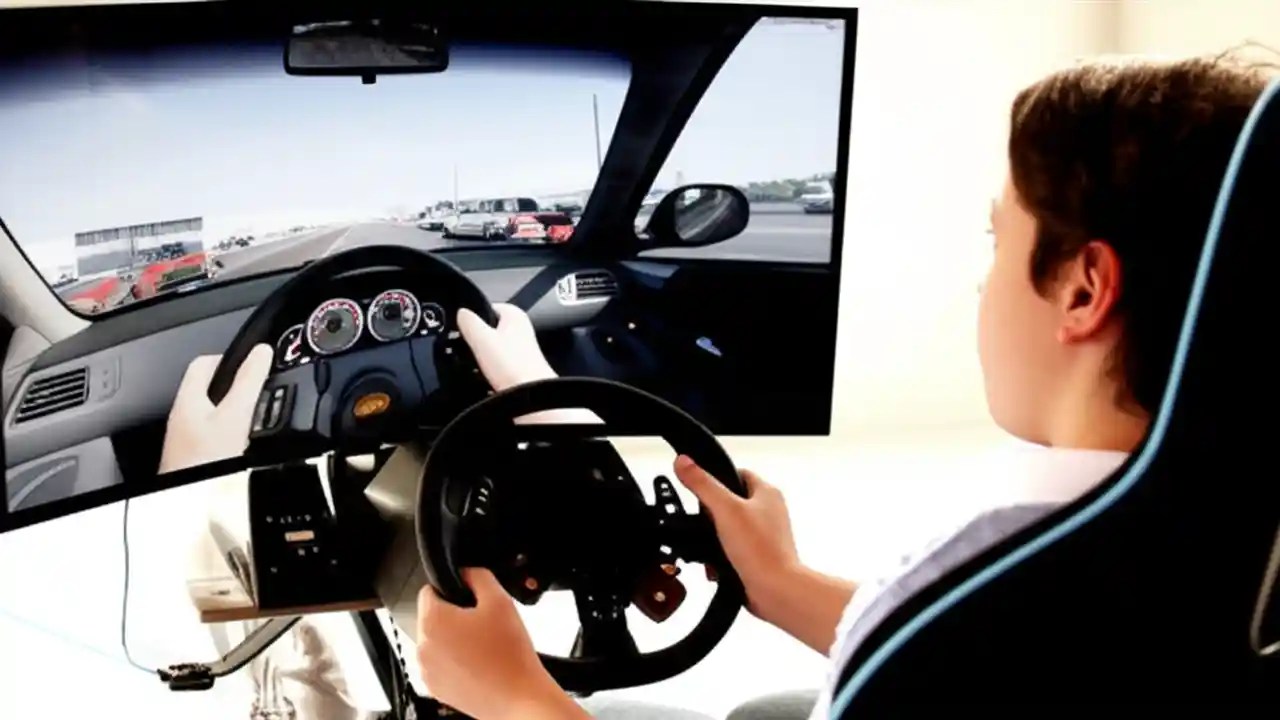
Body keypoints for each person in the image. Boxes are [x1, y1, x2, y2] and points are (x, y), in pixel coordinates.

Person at [161, 53, 1272, 720]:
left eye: (998, 240)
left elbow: (947, 658)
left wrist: (516, 698)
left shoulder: (1002, 582)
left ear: (1082, 290)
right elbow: (997, 676)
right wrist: (781, 582)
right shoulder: (1183, 525)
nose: (980, 279)